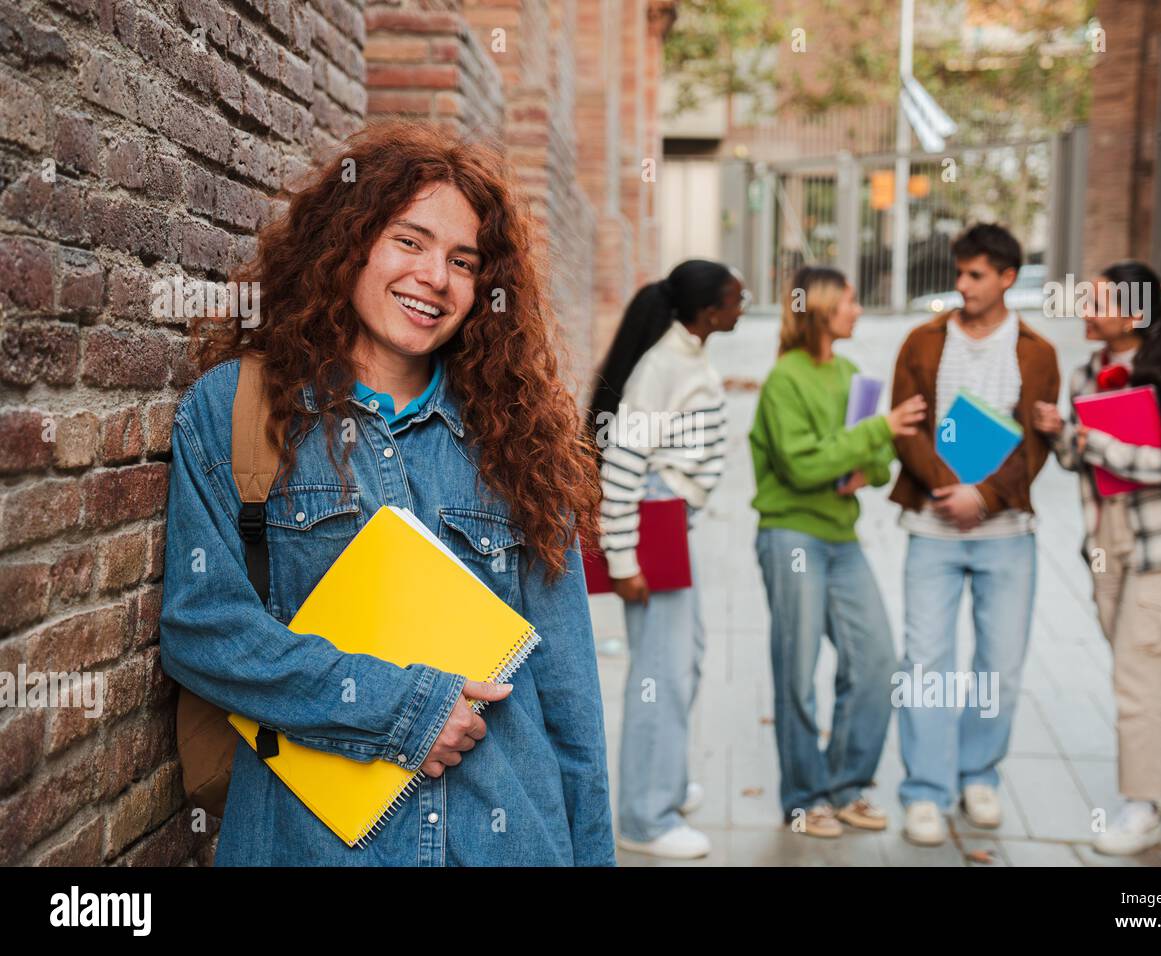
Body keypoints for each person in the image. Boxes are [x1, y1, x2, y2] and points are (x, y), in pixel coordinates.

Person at [159, 120, 616, 866]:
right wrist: (404, 709)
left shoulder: (521, 439)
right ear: (350, 242)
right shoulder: (239, 412)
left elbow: (569, 700)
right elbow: (203, 629)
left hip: (505, 838)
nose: (436, 277)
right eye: (410, 241)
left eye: (463, 261)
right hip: (314, 844)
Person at [1033, 260, 1161, 856]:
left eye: (1097, 302)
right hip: (1106, 543)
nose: (1085, 311)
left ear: (1135, 312)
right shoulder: (1086, 373)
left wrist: (1104, 445)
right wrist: (1061, 432)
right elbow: (1080, 460)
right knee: (1145, 668)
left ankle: (1143, 806)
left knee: (1135, 676)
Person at [888, 223, 1060, 846]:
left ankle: (978, 774)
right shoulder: (921, 340)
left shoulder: (1037, 350)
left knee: (1000, 666)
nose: (962, 285)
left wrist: (983, 498)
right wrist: (948, 491)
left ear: (1008, 278)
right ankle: (925, 791)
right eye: (958, 273)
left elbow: (1037, 440)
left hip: (1008, 535)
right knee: (925, 663)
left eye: (976, 275)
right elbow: (904, 424)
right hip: (932, 530)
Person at [749, 266, 926, 839]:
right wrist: (871, 437)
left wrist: (859, 451)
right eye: (851, 300)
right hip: (792, 535)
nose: (858, 310)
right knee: (797, 671)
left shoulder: (851, 374)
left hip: (842, 538)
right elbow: (801, 467)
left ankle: (848, 786)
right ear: (824, 307)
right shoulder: (785, 381)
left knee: (876, 661)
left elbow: (878, 466)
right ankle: (804, 798)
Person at [587, 259, 748, 859]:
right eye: (736, 297)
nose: (743, 303)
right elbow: (624, 464)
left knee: (688, 658)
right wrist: (623, 560)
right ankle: (645, 817)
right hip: (652, 527)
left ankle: (667, 784)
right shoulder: (663, 366)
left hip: (673, 526)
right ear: (710, 311)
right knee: (662, 672)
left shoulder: (687, 354)